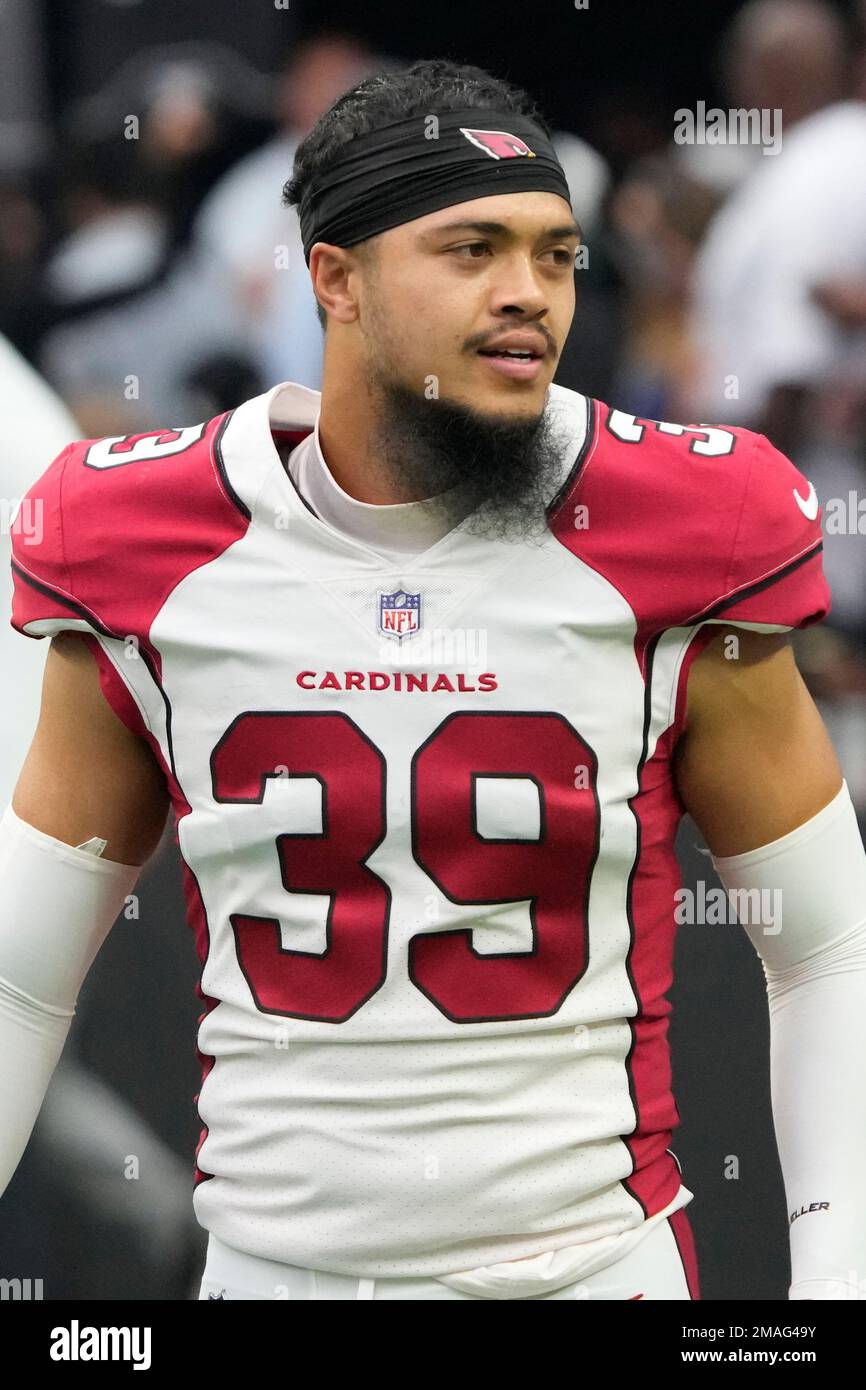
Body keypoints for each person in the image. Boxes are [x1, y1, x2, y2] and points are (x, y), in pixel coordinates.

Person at [2, 59, 864, 1302]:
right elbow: (24, 974)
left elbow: (823, 946)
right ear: (333, 278)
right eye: (471, 248)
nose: (529, 296)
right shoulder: (140, 536)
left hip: (588, 1271)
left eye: (555, 255)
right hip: (274, 1274)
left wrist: (832, 1279)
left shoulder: (683, 524)